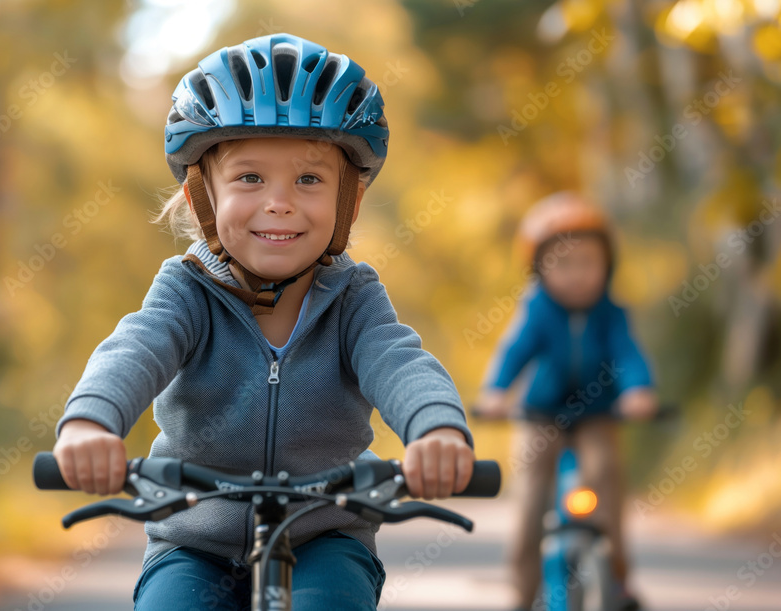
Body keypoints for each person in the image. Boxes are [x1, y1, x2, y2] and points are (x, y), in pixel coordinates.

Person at [51, 33, 476, 610]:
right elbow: (136, 350)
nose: (279, 202)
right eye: (250, 178)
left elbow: (399, 361)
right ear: (202, 195)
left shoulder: (354, 298)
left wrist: (436, 431)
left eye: (308, 179)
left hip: (325, 534)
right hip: (194, 538)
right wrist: (90, 424)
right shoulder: (187, 292)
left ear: (348, 203)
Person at [473, 191, 658, 611]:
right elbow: (514, 351)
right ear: (538, 269)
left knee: (605, 476)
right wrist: (496, 393)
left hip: (598, 413)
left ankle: (617, 579)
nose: (576, 275)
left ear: (607, 267)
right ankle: (521, 592)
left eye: (587, 263)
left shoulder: (612, 312)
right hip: (540, 413)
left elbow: (628, 355)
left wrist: (638, 391)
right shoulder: (537, 309)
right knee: (531, 498)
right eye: (563, 264)